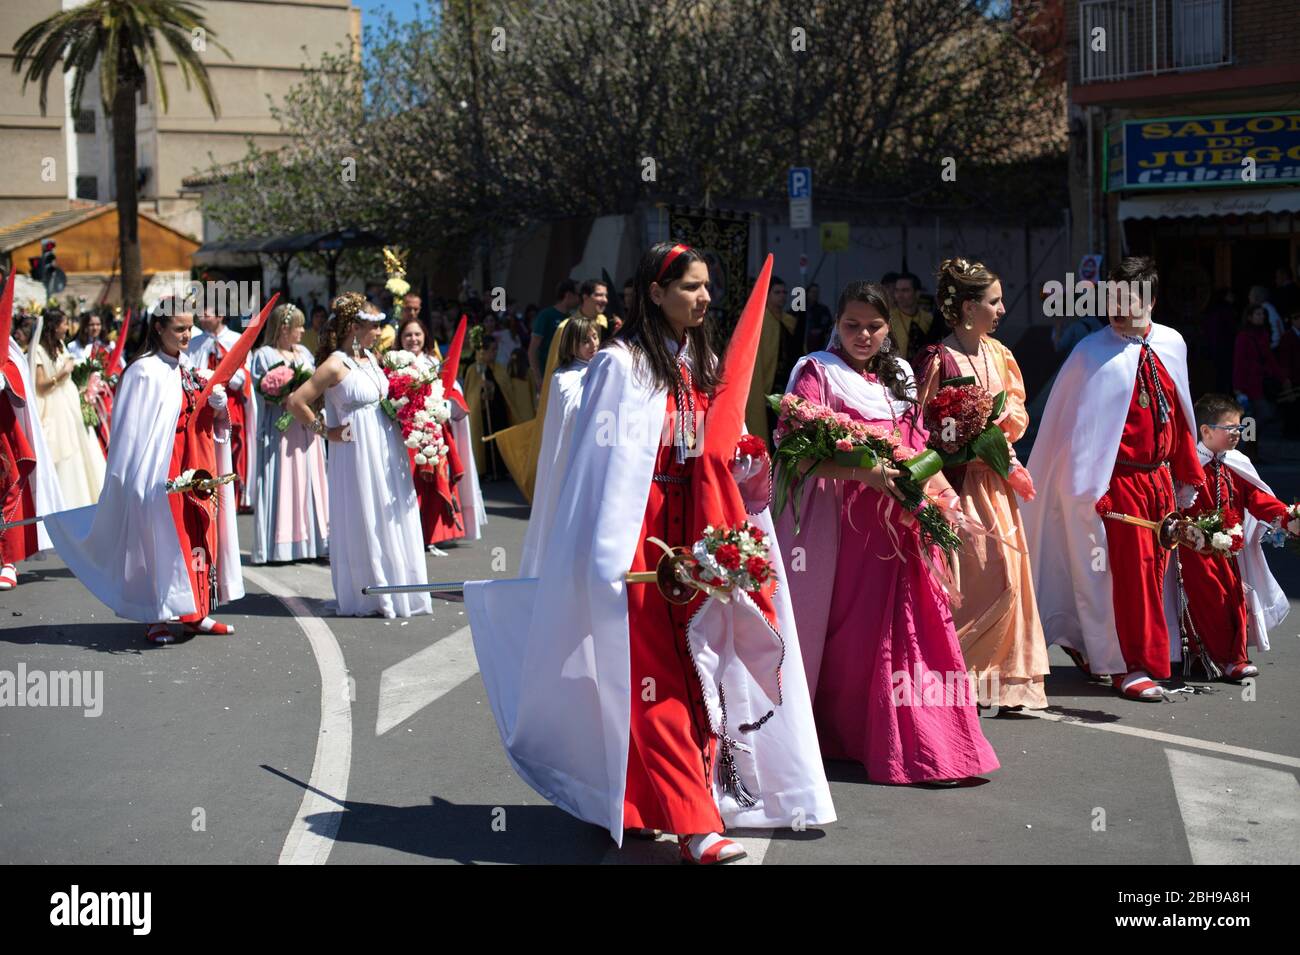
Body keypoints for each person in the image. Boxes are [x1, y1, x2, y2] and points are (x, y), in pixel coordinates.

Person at [466, 243, 834, 863]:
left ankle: (644, 801)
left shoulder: (703, 360)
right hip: (642, 540)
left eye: (708, 287)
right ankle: (694, 826)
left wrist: (742, 457)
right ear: (656, 293)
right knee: (653, 678)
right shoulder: (622, 364)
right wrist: (601, 558)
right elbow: (598, 472)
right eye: (690, 286)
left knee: (702, 669)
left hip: (701, 535)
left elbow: (715, 443)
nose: (705, 297)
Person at [776, 279, 999, 783]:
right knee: (858, 635)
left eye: (873, 326)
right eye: (852, 325)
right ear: (836, 323)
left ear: (887, 328)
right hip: (848, 525)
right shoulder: (816, 373)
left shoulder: (895, 381)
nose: (863, 335)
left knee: (921, 622)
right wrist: (866, 474)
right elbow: (799, 455)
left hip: (904, 520)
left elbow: (920, 449)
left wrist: (949, 502)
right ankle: (852, 733)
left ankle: (935, 742)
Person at [1023, 257, 1206, 701]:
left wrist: (1188, 473)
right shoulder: (1091, 352)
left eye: (1130, 299)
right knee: (1125, 576)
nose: (1119, 309)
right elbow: (1076, 432)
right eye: (1112, 299)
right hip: (1113, 487)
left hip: (1159, 482)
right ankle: (1128, 666)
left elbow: (1181, 416)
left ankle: (1137, 652)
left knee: (1157, 575)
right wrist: (1089, 492)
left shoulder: (1172, 343)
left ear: (1152, 300)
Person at [43, 298, 247, 643]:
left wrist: (217, 405)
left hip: (193, 467)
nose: (186, 335)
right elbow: (130, 432)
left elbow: (199, 420)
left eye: (189, 328)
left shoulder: (187, 367)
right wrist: (135, 480)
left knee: (195, 538)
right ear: (159, 328)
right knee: (160, 543)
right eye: (179, 329)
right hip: (158, 472)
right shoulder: (143, 370)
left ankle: (196, 612)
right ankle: (157, 616)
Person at [919, 259, 1048, 710]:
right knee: (975, 576)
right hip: (957, 484)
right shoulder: (940, 358)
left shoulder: (1000, 354)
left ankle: (1009, 679)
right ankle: (964, 676)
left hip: (995, 480)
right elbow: (921, 428)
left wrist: (995, 433)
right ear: (970, 308)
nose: (1002, 309)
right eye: (994, 301)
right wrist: (960, 438)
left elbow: (1016, 416)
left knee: (1009, 574)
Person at [286, 292, 430, 618]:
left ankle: (399, 587)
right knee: (366, 513)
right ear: (354, 326)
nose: (379, 333)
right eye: (373, 327)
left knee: (388, 515)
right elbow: (297, 401)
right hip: (356, 451)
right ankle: (370, 591)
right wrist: (327, 432)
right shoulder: (336, 364)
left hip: (385, 445)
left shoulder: (373, 358)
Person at [1180, 393, 1292, 682]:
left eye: (1240, 428)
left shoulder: (1236, 463)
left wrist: (1288, 516)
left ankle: (1235, 657)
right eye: (1230, 428)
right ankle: (1212, 656)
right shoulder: (1187, 464)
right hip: (1191, 551)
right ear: (1206, 431)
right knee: (1211, 596)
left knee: (1236, 595)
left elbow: (1256, 497)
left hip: (1228, 551)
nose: (1237, 434)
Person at [248, 303, 329, 565]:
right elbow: (262, 389)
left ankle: (312, 541)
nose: (303, 330)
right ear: (284, 328)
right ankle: (281, 546)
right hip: (280, 429)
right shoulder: (264, 355)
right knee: (284, 479)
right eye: (299, 326)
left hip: (304, 426)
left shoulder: (304, 352)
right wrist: (283, 394)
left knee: (308, 477)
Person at [518, 315, 598, 576]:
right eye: (585, 340)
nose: (592, 344)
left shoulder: (604, 371)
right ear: (571, 345)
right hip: (568, 457)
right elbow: (566, 417)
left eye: (595, 337)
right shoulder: (562, 378)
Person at [0, 276, 64, 591]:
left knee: (8, 487)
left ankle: (6, 560)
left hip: (3, 432)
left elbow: (17, 375)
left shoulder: (8, 347)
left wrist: (6, 381)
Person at [396, 317, 468, 556]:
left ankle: (430, 535)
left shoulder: (433, 362)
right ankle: (406, 536)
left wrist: (444, 406)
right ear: (400, 339)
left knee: (433, 483)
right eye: (408, 335)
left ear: (425, 336)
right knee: (410, 485)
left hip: (433, 431)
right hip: (406, 433)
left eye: (417, 334)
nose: (413, 339)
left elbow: (450, 390)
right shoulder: (394, 363)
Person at [32, 308, 106, 508]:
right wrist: (62, 373)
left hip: (70, 401)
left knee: (81, 446)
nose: (67, 327)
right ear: (54, 326)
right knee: (63, 449)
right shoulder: (39, 351)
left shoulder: (61, 345)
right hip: (54, 406)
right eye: (64, 323)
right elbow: (40, 385)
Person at [189, 304, 256, 511]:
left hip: (231, 406)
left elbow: (245, 375)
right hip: (203, 406)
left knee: (233, 450)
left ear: (220, 316)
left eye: (205, 313)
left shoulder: (236, 340)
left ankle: (234, 500)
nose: (200, 317)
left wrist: (222, 374)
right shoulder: (195, 342)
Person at [744, 275, 796, 447]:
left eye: (784, 292)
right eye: (777, 292)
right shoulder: (761, 321)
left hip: (786, 385)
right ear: (767, 294)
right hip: (767, 386)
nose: (782, 296)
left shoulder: (789, 322)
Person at [464, 331, 509, 480]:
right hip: (482, 413)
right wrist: (481, 392)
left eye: (496, 349)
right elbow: (471, 394)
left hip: (498, 410)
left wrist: (493, 387)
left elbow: (507, 390)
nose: (494, 353)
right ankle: (486, 470)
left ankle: (501, 469)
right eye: (492, 350)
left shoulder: (500, 368)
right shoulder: (474, 369)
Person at [528, 279, 579, 392]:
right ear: (568, 295)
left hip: (565, 379)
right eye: (577, 294)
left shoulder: (573, 318)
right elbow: (532, 350)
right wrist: (538, 378)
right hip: (547, 377)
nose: (579, 299)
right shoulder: (546, 315)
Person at [889, 271, 940, 361]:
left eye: (905, 290)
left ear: (917, 293)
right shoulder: (888, 319)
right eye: (897, 290)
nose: (899, 295)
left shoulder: (928, 319)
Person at [804, 282, 834, 353]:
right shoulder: (801, 309)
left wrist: (820, 330)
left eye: (817, 292)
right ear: (807, 293)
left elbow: (829, 326)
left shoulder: (823, 309)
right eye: (813, 292)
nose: (815, 294)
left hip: (819, 344)